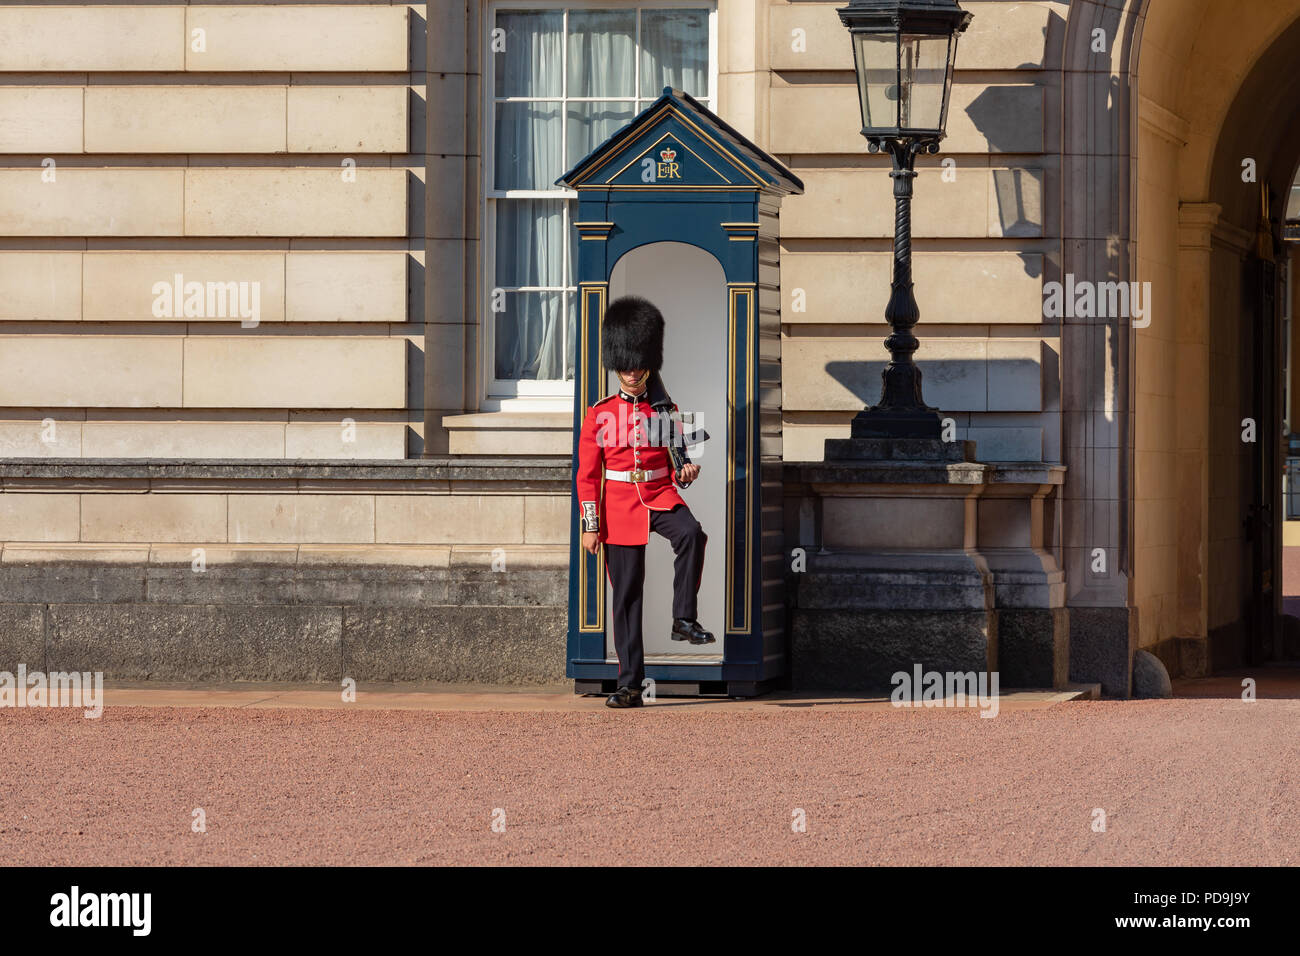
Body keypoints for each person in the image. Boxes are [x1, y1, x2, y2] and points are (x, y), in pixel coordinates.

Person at [576, 295, 714, 709]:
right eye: (625, 365)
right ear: (616, 364)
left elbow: (681, 461)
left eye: (637, 364)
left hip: (658, 494)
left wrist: (685, 474)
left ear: (648, 362)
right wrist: (590, 524)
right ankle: (630, 684)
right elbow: (587, 476)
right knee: (627, 595)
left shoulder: (665, 408)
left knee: (692, 533)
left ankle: (683, 618)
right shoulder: (599, 413)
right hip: (617, 504)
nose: (631, 372)